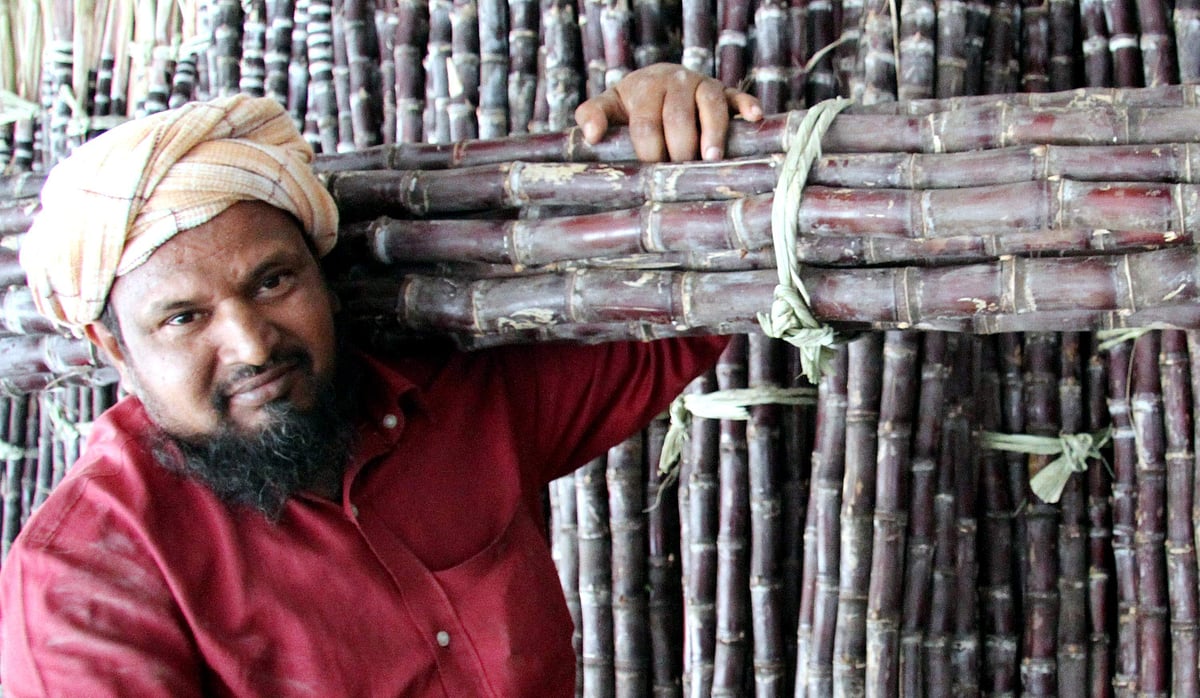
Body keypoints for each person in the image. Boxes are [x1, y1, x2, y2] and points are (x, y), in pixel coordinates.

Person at [0, 64, 761, 696]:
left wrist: (669, 123)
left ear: (321, 275)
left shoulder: (457, 401)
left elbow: (693, 312)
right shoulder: (85, 577)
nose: (251, 345)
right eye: (183, 320)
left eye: (272, 282)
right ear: (112, 348)